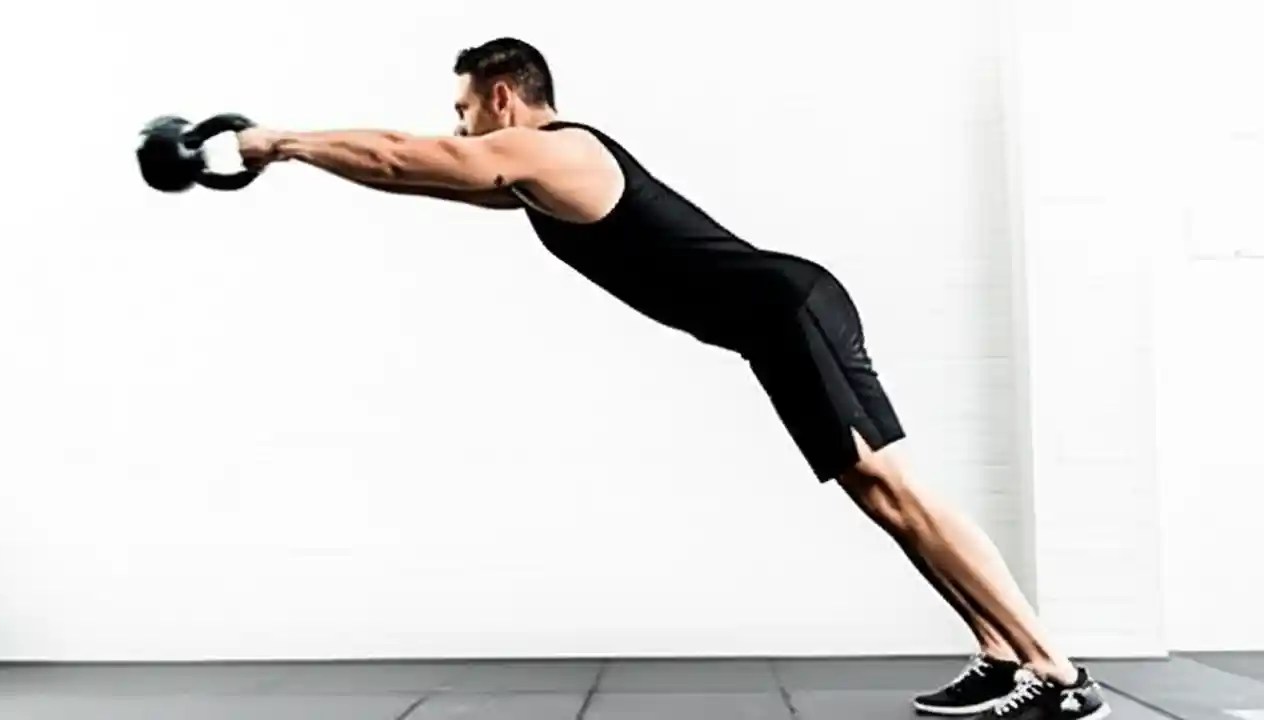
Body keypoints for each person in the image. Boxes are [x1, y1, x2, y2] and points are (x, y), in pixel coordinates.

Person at [235, 37, 1112, 720]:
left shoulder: (558, 152)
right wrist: (308, 156)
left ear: (503, 100)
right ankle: (1002, 654)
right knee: (883, 499)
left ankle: (1057, 671)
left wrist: (281, 141)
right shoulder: (532, 180)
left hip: (784, 309)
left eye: (465, 111)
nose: (459, 129)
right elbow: (410, 175)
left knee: (896, 489)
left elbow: (404, 154)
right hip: (779, 318)